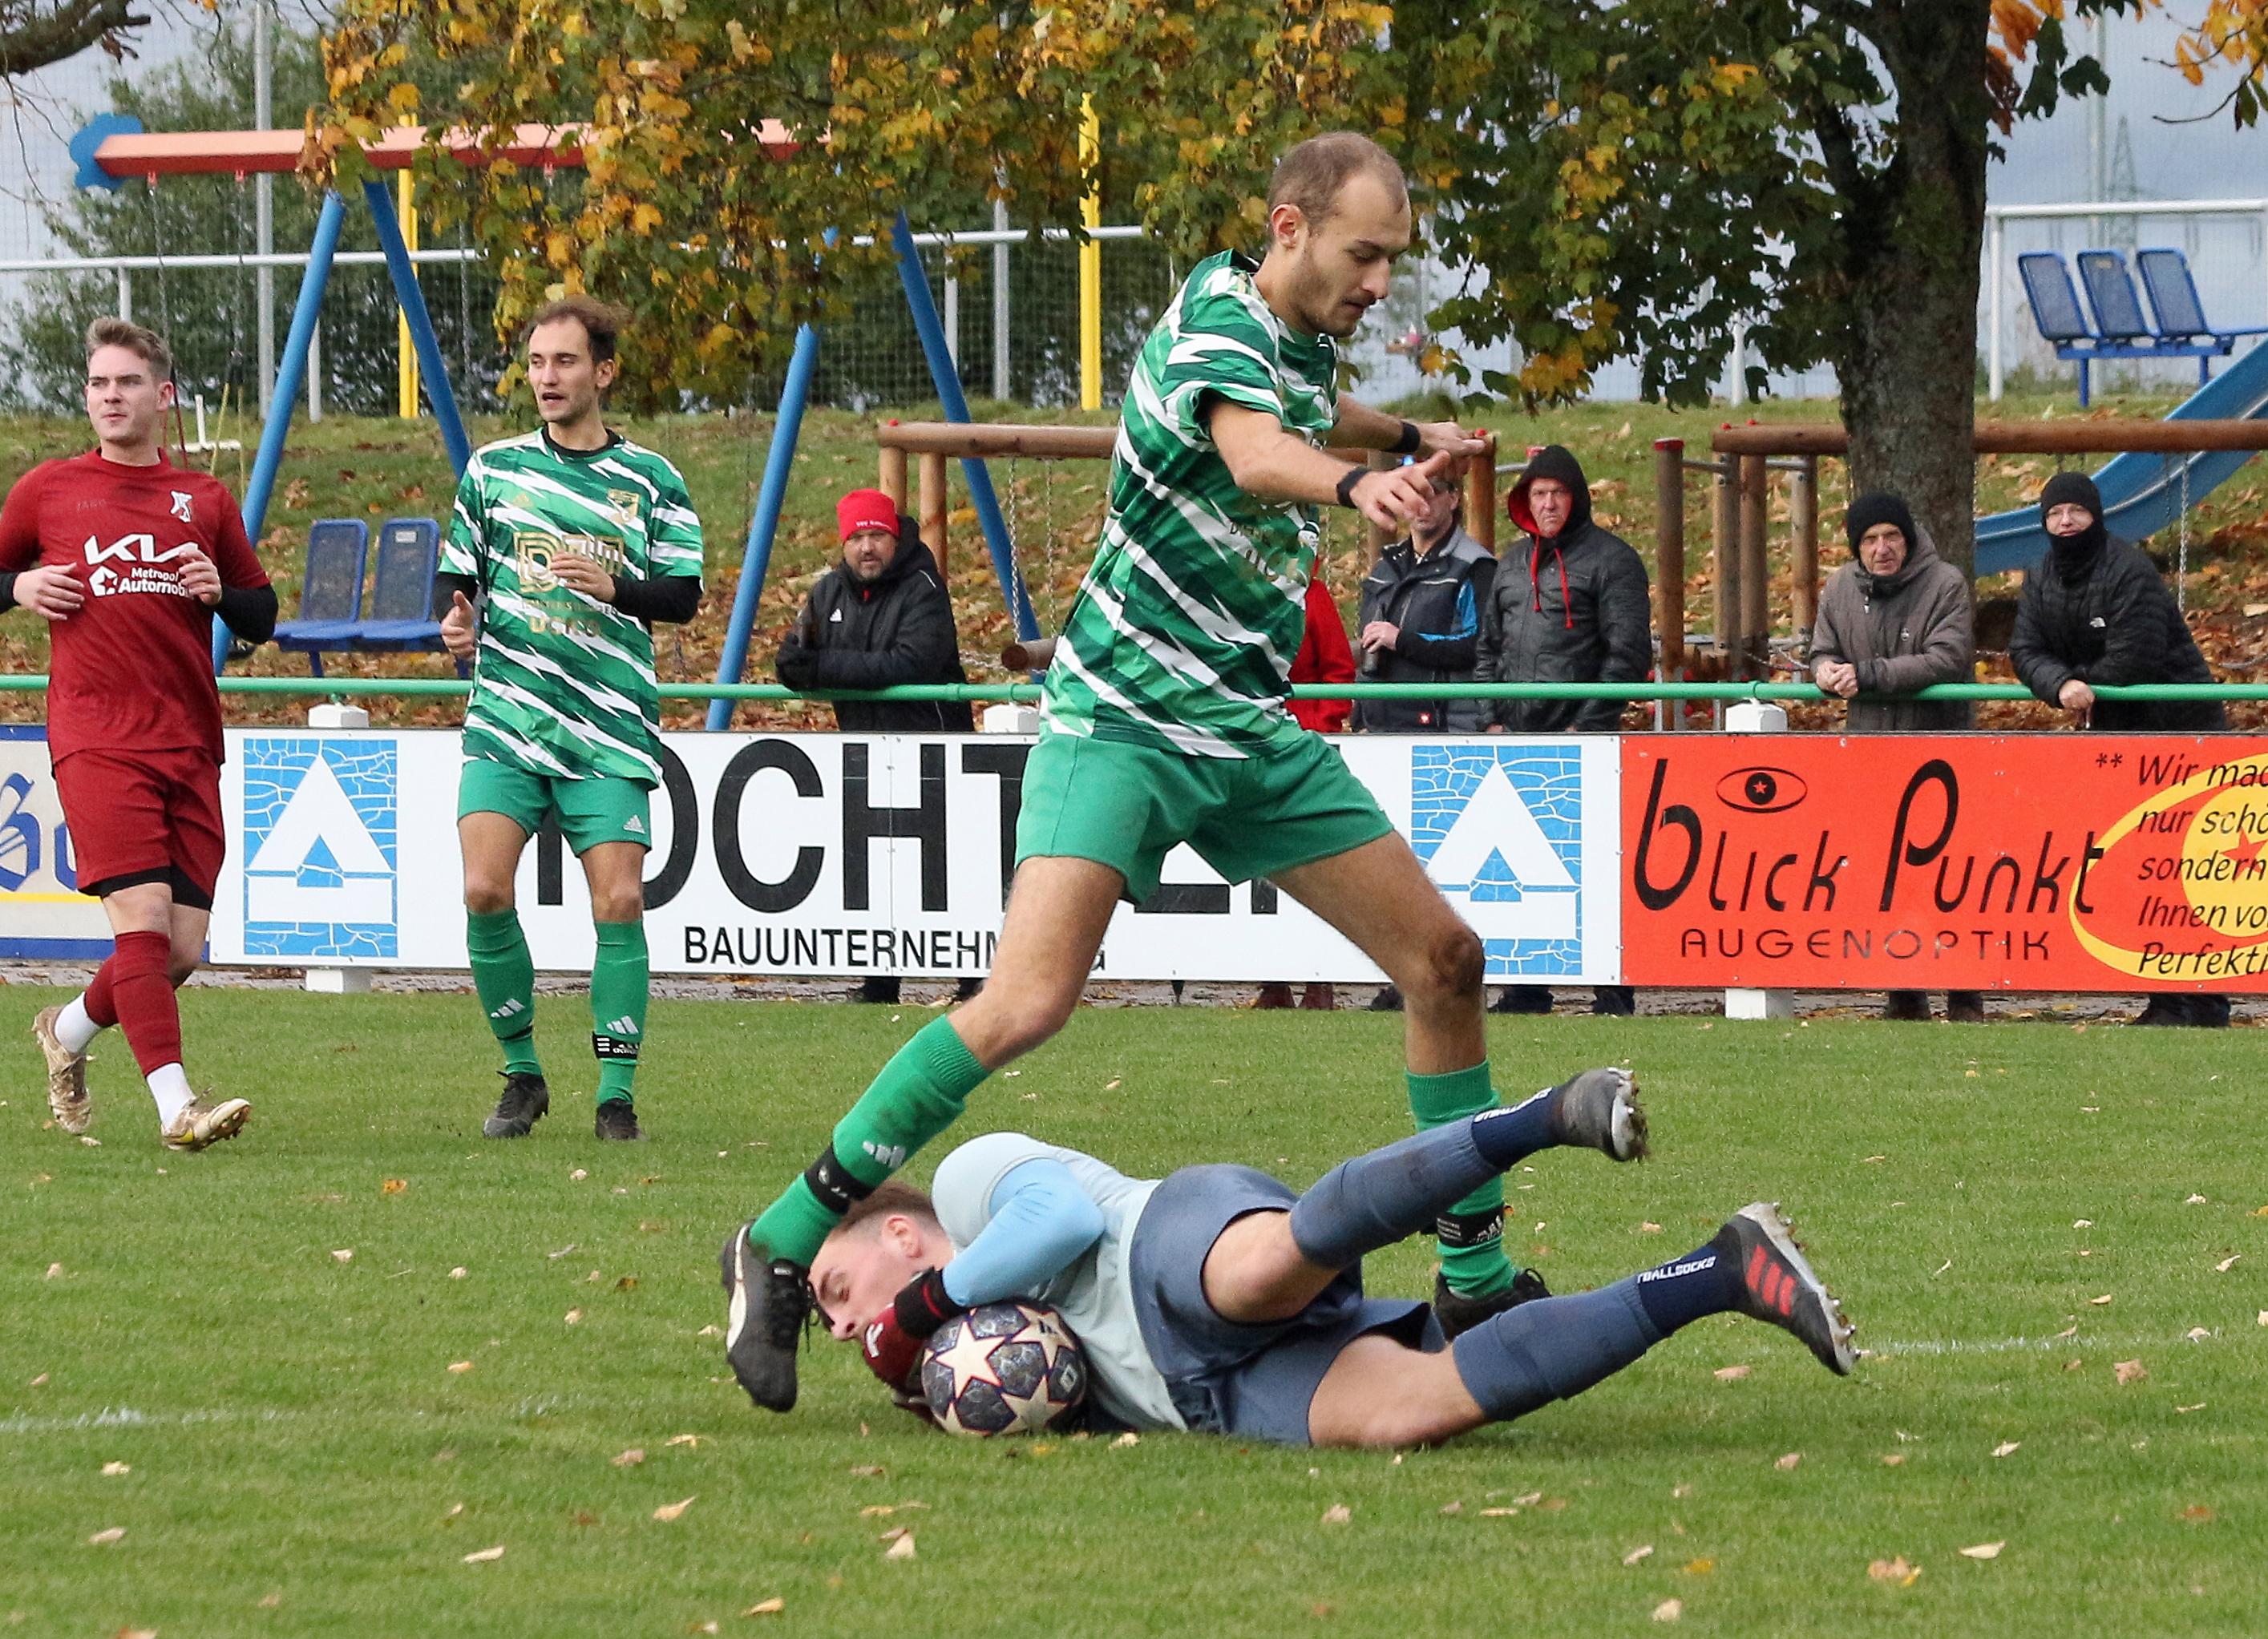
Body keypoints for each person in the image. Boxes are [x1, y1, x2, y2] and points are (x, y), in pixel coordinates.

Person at [721, 132, 1545, 1416]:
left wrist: (1405, 425)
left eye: (1391, 258)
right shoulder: (1221, 317)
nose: (1380, 281)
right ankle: (778, 1239)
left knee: (1444, 960)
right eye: (1363, 254)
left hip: (1241, 727)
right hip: (1119, 715)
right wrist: (1360, 481)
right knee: (1023, 1005)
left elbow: (1306, 403)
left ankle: (1477, 1276)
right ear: (1288, 229)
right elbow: (1255, 449)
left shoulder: (1292, 332)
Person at [815, 1068, 1854, 1447]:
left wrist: (927, 1306)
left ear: (897, 1235)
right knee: (1418, 1409)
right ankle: (1722, 1268)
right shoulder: (955, 1351)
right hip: (1205, 1398)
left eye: (837, 1290)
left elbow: (1062, 1230)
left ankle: (1546, 1115)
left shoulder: (966, 1183)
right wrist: (936, 1375)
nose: (845, 1322)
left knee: (1257, 1271)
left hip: (1161, 1246)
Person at [436, 296, 705, 1141]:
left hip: (609, 725)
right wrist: (456, 628)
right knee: (483, 888)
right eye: (537, 363)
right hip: (508, 718)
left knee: (619, 902)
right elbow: (459, 586)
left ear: (604, 371)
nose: (547, 378)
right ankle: (522, 1074)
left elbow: (686, 596)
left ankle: (615, 1093)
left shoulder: (654, 479)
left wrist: (614, 586)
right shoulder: (493, 471)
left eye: (564, 362)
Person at [5, 317, 276, 1150]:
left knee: (180, 949)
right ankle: (177, 1107)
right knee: (145, 920)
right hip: (95, 733)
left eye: (126, 382)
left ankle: (68, 1034)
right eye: (97, 382)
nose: (110, 396)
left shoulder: (204, 499)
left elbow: (262, 614)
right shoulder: (48, 490)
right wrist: (19, 584)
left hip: (189, 739)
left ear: (164, 396)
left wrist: (217, 591)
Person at [2011, 470, 2230, 1028]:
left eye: (2075, 512)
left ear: (2095, 516)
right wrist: (2060, 685)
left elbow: (2136, 655)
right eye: (2055, 514)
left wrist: (2080, 684)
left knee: (2186, 866)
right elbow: (2024, 647)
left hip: (2178, 731)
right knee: (2135, 864)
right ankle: (2163, 997)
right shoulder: (2039, 579)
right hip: (2115, 737)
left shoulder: (2129, 570)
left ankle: (2205, 1001)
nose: (2065, 523)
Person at [778, 488, 976, 1005]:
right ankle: (880, 981)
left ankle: (974, 981)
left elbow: (908, 664)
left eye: (878, 536)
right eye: (858, 537)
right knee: (874, 868)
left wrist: (819, 669)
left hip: (934, 751)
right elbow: (792, 657)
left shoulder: (923, 588)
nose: (868, 547)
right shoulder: (827, 593)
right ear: (844, 543)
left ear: (895, 538)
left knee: (945, 868)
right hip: (864, 749)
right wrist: (798, 666)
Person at [1474, 444, 1648, 1017]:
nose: (1547, 504)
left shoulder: (1613, 561)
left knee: (1596, 863)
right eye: (1537, 495)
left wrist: (1587, 724)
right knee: (1519, 869)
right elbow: (1487, 647)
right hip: (1515, 738)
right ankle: (1526, 985)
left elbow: (1626, 656)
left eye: (1556, 494)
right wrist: (1489, 717)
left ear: (1576, 499)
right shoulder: (1508, 563)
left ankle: (1613, 990)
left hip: (1586, 742)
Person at [1810, 491, 1982, 1024]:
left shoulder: (1945, 583)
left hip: (1939, 753)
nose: (1881, 548)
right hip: (1870, 752)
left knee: (1948, 877)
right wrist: (1823, 673)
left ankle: (1964, 994)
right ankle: (1902, 992)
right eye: (1868, 539)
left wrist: (1867, 675)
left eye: (1890, 537)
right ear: (1855, 546)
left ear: (1907, 539)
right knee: (1883, 877)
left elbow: (1946, 659)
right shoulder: (1838, 587)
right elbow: (1821, 649)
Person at [1252, 576, 1357, 1011]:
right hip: (1253, 745)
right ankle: (1272, 980)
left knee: (1317, 867)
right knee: (1263, 874)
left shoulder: (1311, 594)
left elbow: (1338, 670)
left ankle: (1320, 981)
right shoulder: (1236, 593)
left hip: (1305, 746)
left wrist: (1322, 731)